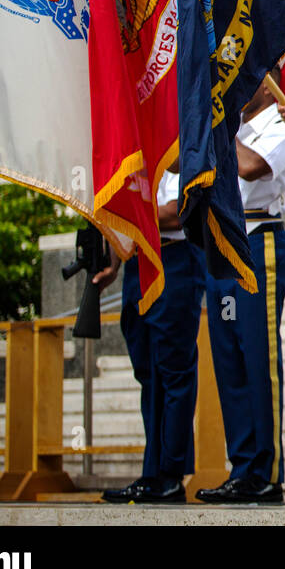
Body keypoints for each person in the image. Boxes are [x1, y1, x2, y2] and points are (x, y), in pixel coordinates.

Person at [196, 73, 285, 504]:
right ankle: (242, 465)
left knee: (258, 358)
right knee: (230, 360)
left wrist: (216, 128)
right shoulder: (232, 126)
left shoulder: (282, 122)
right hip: (222, 241)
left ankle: (265, 471)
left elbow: (253, 166)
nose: (234, 86)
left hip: (259, 239)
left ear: (269, 82)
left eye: (246, 77)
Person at [98, 170, 207, 504]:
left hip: (175, 257)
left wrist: (132, 213)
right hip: (139, 260)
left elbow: (180, 211)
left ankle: (171, 474)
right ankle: (152, 472)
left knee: (174, 371)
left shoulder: (182, 150)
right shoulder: (137, 158)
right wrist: (114, 261)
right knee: (147, 372)